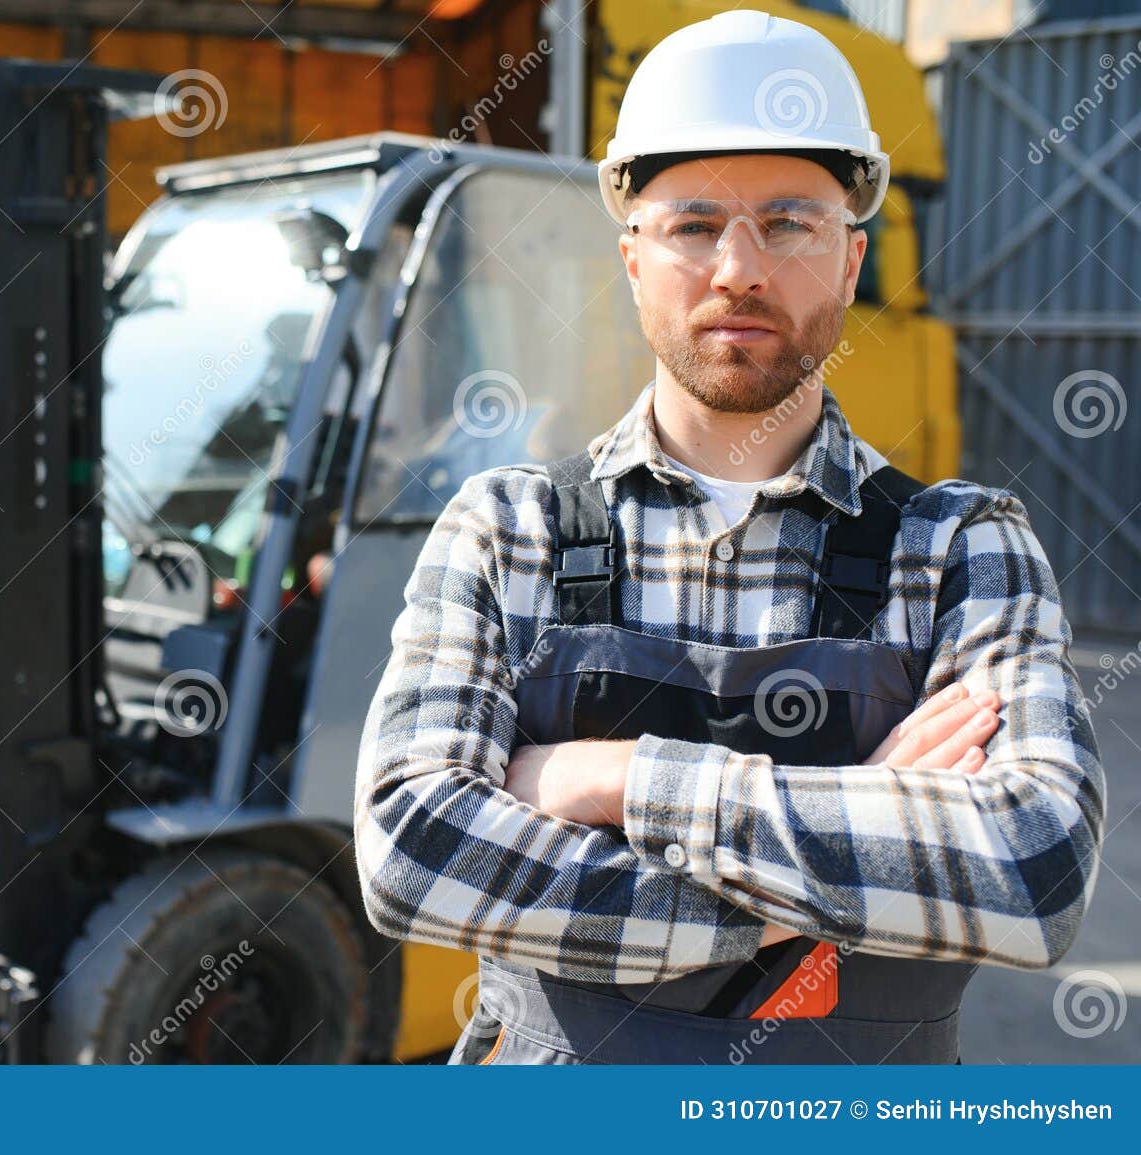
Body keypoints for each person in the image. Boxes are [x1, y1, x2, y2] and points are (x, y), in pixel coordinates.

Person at [352, 9, 1105, 1065]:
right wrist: (838, 861)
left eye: (789, 223)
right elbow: (411, 857)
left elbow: (1031, 874)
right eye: (693, 224)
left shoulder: (962, 552)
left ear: (849, 261)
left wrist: (609, 782)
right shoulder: (507, 531)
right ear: (631, 257)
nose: (739, 269)